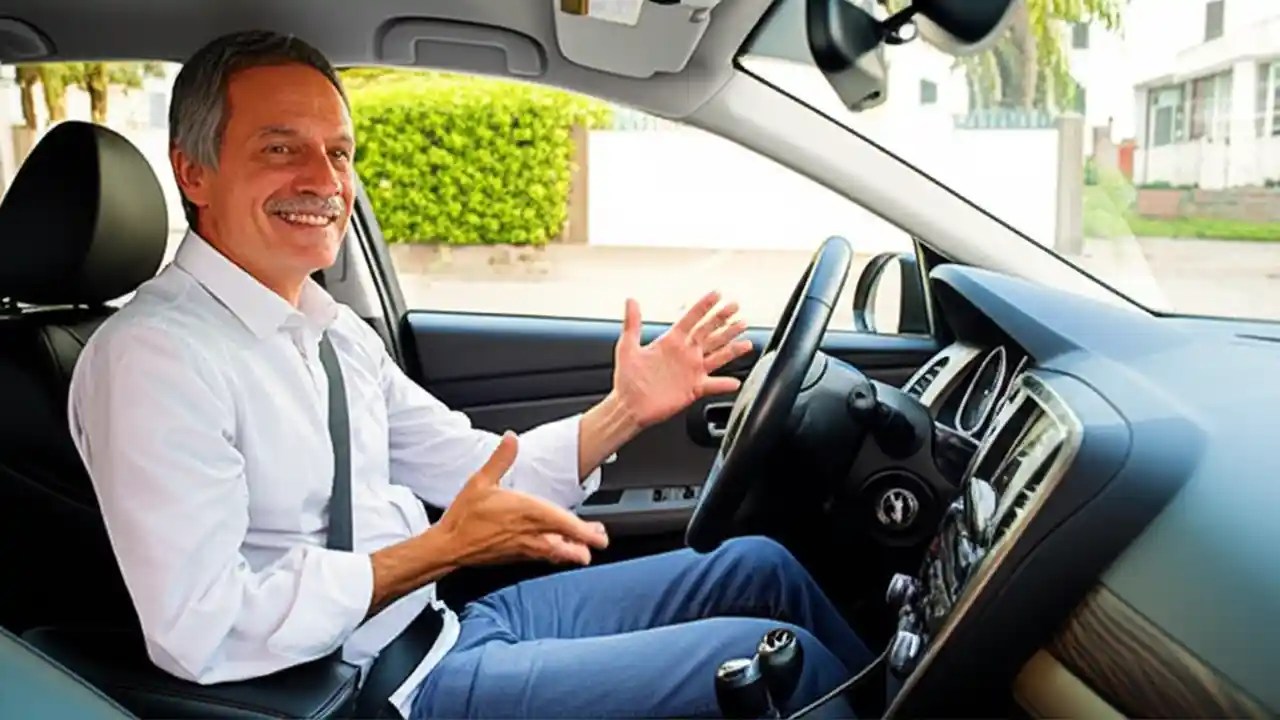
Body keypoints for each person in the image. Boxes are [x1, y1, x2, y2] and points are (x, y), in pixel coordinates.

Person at [68, 29, 872, 719]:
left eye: (339, 152)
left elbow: (471, 465)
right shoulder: (154, 359)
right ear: (194, 172)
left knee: (760, 567)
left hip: (447, 628)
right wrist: (439, 551)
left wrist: (623, 411)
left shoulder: (329, 329)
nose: (324, 179)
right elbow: (201, 626)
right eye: (281, 149)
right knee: (779, 659)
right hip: (381, 691)